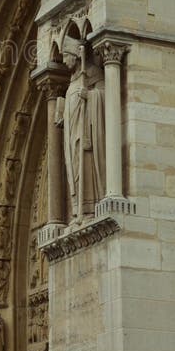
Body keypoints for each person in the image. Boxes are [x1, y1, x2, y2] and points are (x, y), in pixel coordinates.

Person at [55, 35, 105, 221]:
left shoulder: (90, 73)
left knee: (84, 166)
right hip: (71, 134)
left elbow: (107, 95)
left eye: (66, 57)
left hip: (86, 134)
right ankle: (77, 210)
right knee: (74, 169)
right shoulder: (73, 80)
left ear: (75, 56)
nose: (64, 61)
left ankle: (90, 209)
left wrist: (90, 96)